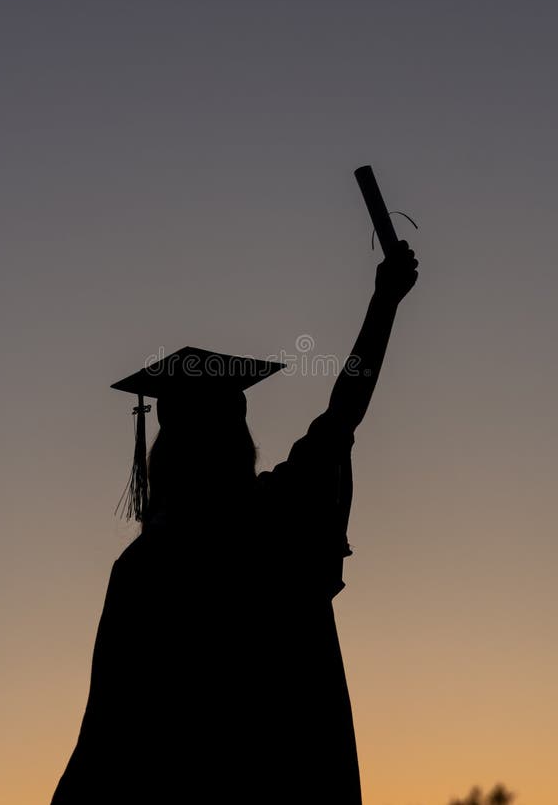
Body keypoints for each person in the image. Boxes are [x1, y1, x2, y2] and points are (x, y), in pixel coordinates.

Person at [51, 239, 418, 803]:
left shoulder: (144, 568)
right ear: (239, 440)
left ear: (164, 454)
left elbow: (106, 732)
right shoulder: (279, 517)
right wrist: (384, 302)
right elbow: (345, 409)